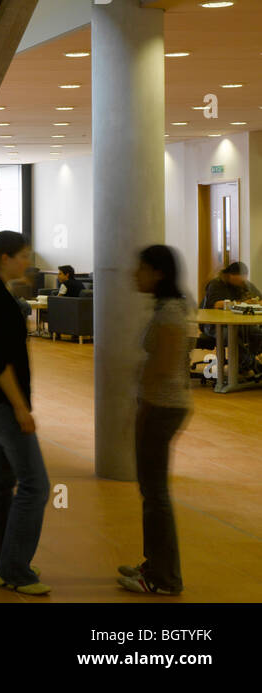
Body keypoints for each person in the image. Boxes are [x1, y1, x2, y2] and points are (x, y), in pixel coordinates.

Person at [0, 230, 51, 595]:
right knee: (35, 485)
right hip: (3, 402)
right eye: (23, 255)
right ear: (5, 258)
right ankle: (14, 569)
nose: (27, 262)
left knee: (1, 482)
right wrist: (21, 408)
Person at [118, 245, 193, 595]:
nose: (135, 274)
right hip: (161, 406)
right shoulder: (171, 307)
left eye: (141, 268)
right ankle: (155, 564)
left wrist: (142, 407)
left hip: (160, 408)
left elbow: (161, 370)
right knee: (151, 491)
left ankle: (164, 578)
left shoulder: (170, 315)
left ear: (158, 273)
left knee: (155, 494)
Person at [201, 261, 262, 370]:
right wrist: (240, 303)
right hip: (215, 325)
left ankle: (245, 363)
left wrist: (255, 302)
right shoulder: (216, 284)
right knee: (231, 337)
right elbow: (215, 304)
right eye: (239, 278)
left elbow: (259, 298)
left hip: (239, 324)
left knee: (258, 334)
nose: (242, 282)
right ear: (230, 275)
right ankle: (253, 365)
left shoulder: (244, 284)